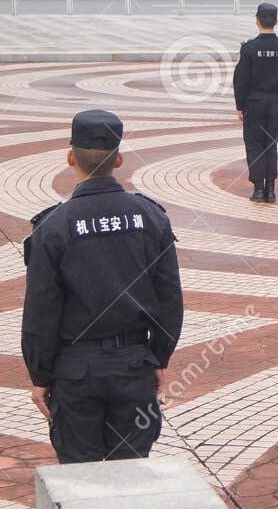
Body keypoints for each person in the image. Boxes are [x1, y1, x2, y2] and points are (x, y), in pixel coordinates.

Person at [21, 109, 184, 464]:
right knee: (131, 472)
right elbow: (170, 297)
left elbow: (41, 310)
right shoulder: (151, 218)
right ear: (119, 160)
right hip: (134, 366)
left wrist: (40, 374)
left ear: (70, 158)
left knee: (82, 478)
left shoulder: (53, 227)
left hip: (75, 372)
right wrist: (159, 357)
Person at [233, 1, 278, 204]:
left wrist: (240, 105)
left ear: (257, 21)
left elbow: (240, 80)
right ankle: (271, 189)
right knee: (271, 144)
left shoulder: (249, 48)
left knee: (254, 145)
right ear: (276, 21)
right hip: (276, 102)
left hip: (254, 102)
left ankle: (258, 189)